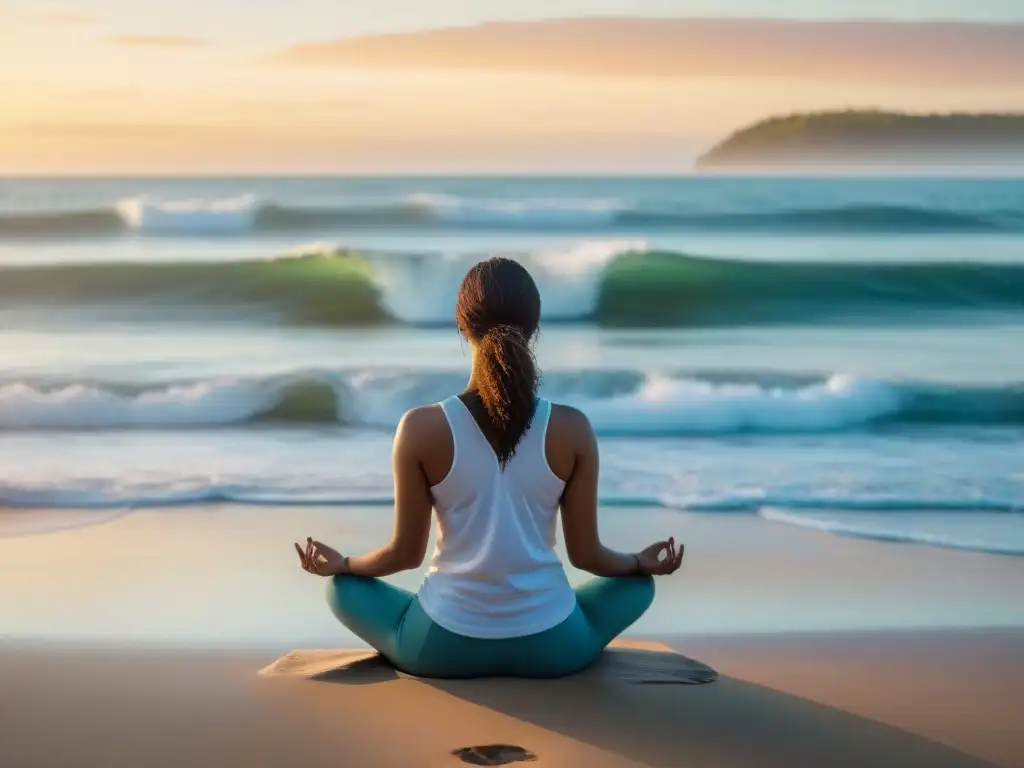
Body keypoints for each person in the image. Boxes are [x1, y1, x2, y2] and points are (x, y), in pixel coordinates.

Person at [294, 257, 684, 679]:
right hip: (554, 648)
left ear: (463, 326)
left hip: (441, 648)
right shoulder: (572, 429)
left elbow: (404, 555)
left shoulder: (420, 427)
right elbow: (587, 556)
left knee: (342, 589)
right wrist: (638, 562)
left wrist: (345, 564)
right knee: (638, 584)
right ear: (534, 328)